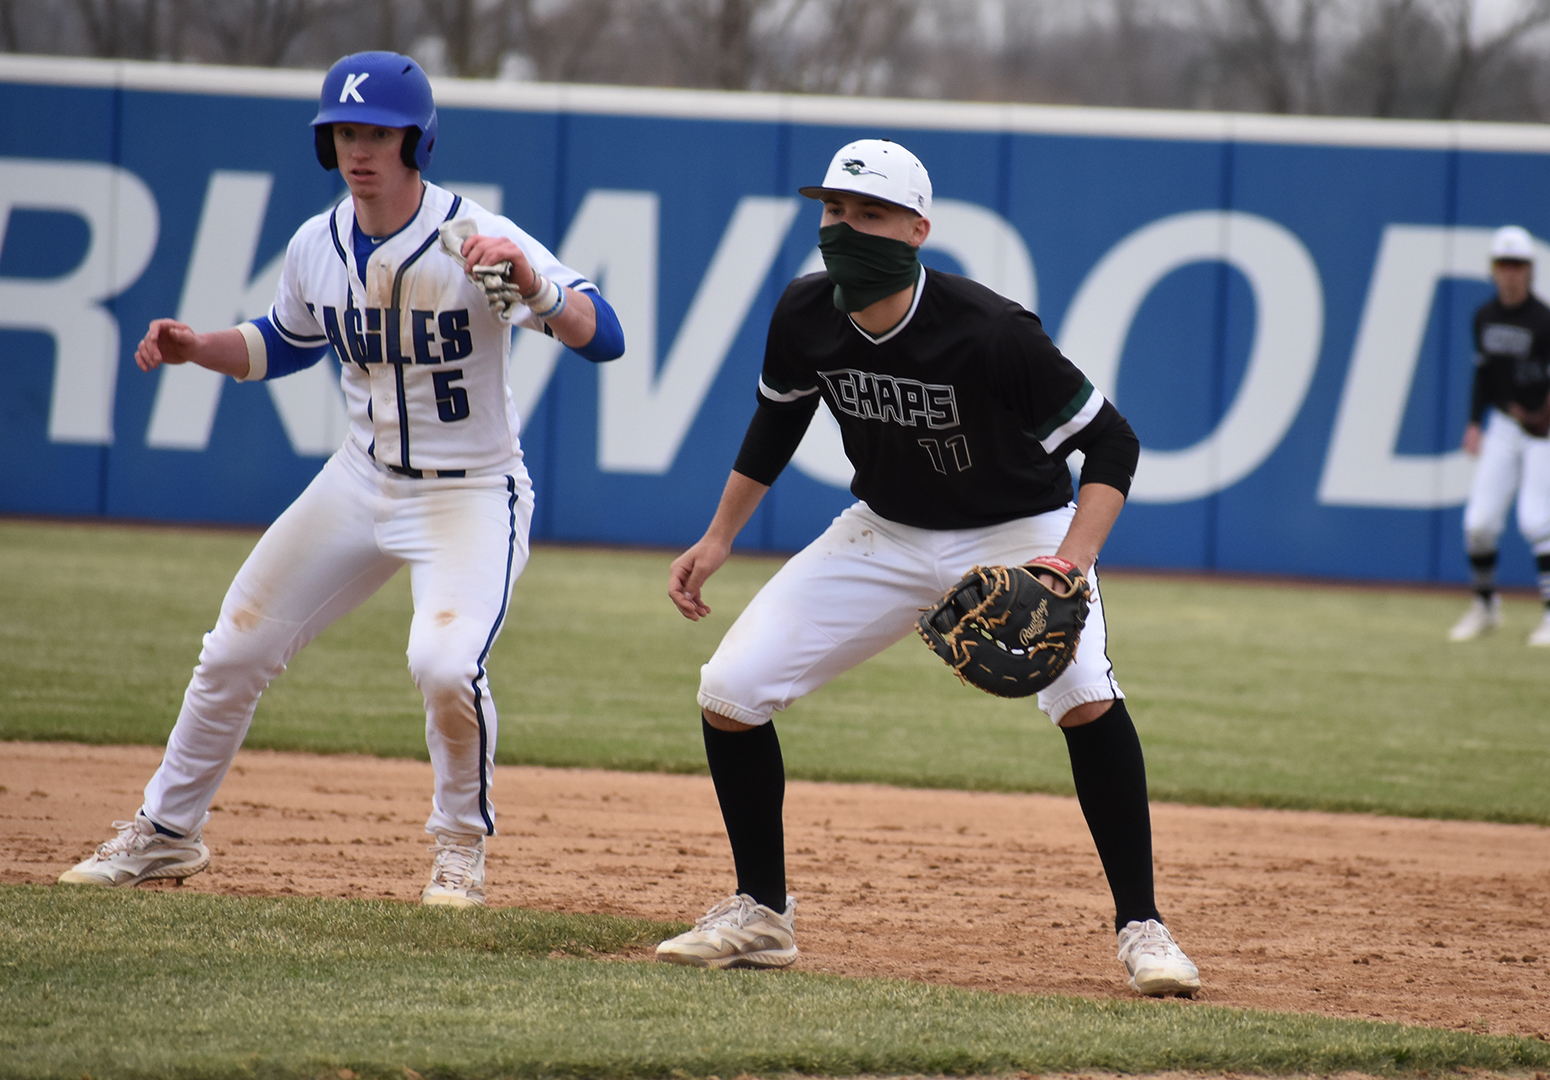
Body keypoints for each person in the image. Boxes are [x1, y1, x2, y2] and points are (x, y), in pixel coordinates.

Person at [58, 51, 624, 906]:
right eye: (345, 132)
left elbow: (603, 335)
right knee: (235, 646)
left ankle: (459, 848)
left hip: (471, 491)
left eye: (379, 133)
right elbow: (283, 341)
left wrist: (535, 286)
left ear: (416, 142)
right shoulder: (315, 244)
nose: (360, 149)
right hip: (360, 480)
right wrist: (200, 347)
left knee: (445, 664)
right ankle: (167, 831)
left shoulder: (473, 238)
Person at [657, 139, 1201, 997]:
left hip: (1018, 530)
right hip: (886, 531)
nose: (845, 229)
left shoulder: (990, 332)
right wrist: (720, 536)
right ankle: (762, 913)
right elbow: (778, 419)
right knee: (730, 691)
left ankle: (1144, 928)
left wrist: (1068, 565)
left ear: (917, 230)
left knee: (1084, 694)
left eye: (869, 214)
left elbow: (1112, 443)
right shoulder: (805, 312)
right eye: (834, 211)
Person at [1449, 225, 1550, 647]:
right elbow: (1483, 375)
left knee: (1536, 519)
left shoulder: (1549, 321)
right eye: (1503, 264)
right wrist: (1473, 423)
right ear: (1492, 269)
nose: (1510, 272)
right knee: (1478, 523)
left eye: (1517, 264)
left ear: (1530, 269)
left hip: (1545, 428)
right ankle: (1486, 606)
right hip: (1505, 424)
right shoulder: (1484, 317)